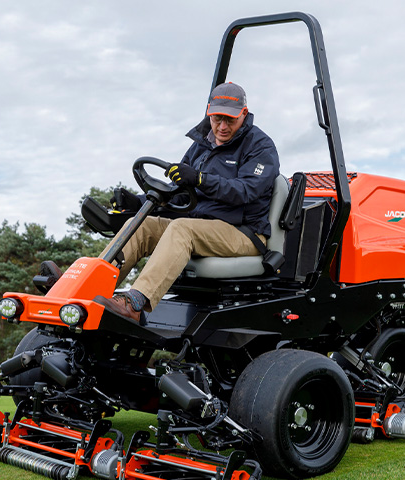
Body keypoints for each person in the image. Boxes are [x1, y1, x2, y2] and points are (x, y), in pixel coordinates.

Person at [95, 82, 280, 321]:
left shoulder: (260, 146)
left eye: (230, 120)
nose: (222, 127)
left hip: (243, 232)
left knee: (182, 228)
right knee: (141, 225)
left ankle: (134, 303)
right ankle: (86, 287)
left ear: (244, 114)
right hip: (200, 225)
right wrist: (137, 202)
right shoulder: (200, 146)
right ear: (209, 112)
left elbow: (246, 190)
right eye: (217, 119)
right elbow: (179, 192)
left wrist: (201, 179)